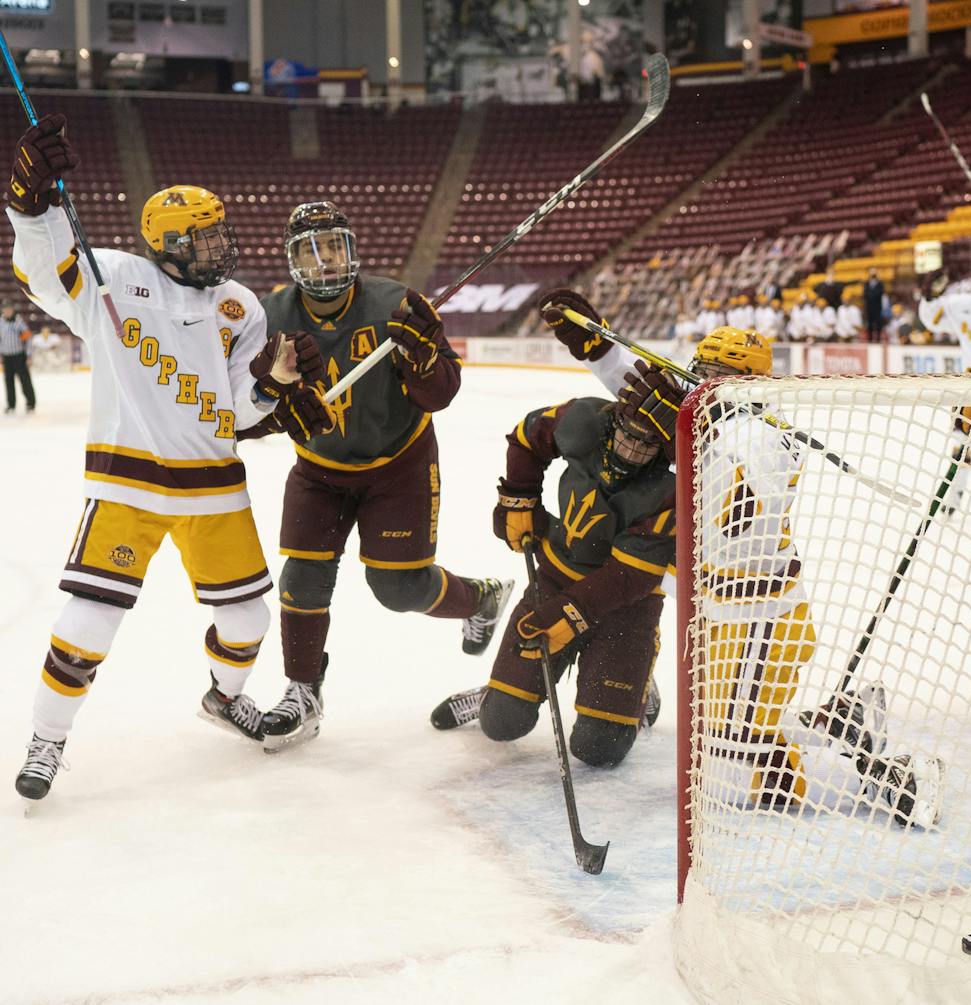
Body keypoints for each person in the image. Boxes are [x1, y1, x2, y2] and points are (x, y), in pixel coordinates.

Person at [496, 298, 946, 824]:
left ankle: (893, 776)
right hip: (713, 607)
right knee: (725, 739)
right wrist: (598, 346)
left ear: (750, 386)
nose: (703, 386)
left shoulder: (762, 438)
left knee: (733, 766)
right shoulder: (705, 410)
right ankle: (841, 720)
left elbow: (727, 517)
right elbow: (645, 391)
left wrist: (687, 440)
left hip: (759, 612)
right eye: (701, 374)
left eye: (721, 378)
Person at [7, 115, 326, 799]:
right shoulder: (113, 280)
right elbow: (42, 269)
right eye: (206, 236)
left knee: (248, 620)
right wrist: (31, 205)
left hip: (216, 488)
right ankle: (47, 739)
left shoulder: (240, 307)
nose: (220, 245)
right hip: (128, 485)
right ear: (170, 243)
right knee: (84, 624)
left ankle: (221, 696)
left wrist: (275, 384)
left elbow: (237, 411)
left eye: (220, 232)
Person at [240, 201, 512, 751]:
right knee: (301, 580)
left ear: (352, 248)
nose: (323, 261)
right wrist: (275, 413)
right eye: (309, 251)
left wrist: (423, 366)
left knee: (398, 588)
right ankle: (303, 690)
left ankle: (479, 599)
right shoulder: (265, 318)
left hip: (399, 465)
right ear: (290, 260)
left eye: (333, 246)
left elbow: (443, 394)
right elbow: (240, 416)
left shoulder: (398, 304)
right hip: (318, 471)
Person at [427, 386, 673, 767]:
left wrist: (568, 614)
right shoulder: (584, 420)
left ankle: (636, 682)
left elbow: (627, 577)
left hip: (627, 608)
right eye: (628, 435)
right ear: (615, 420)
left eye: (647, 445)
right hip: (557, 578)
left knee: (599, 749)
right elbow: (527, 437)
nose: (632, 451)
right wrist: (518, 496)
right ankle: (495, 693)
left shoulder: (675, 487)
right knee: (501, 723)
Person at [0, 301, 35, 413]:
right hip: (7, 357)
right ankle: (11, 405)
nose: (7, 311)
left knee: (24, 380)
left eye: (9, 309)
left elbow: (28, 338)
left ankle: (31, 403)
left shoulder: (18, 322)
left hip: (19, 356)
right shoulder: (1, 322)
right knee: (8, 381)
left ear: (12, 310)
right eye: (5, 309)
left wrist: (29, 355)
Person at [863, 267, 886, 343]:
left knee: (878, 323)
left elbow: (880, 293)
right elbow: (865, 294)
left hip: (877, 307)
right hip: (869, 307)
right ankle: (870, 339)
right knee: (869, 324)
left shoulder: (880, 284)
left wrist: (873, 295)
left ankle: (878, 339)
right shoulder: (866, 284)